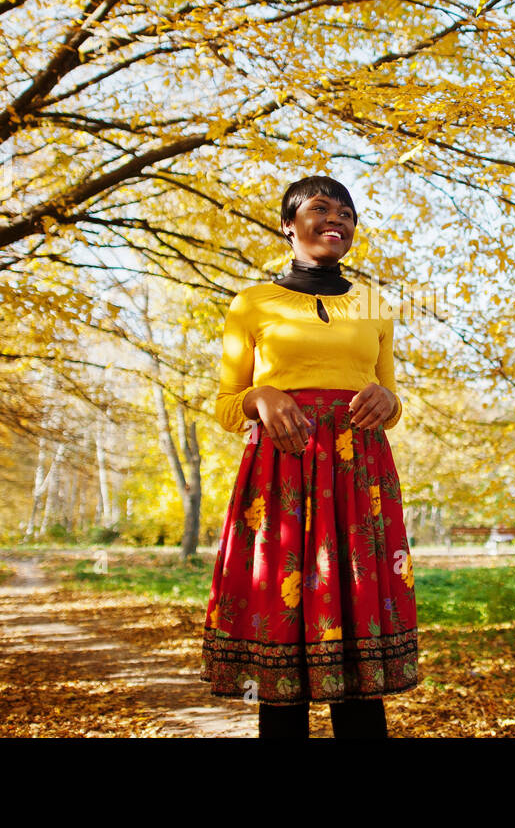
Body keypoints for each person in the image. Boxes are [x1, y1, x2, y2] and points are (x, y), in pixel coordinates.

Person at [201, 175, 420, 738]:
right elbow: (227, 407)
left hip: (357, 473)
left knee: (355, 631)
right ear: (287, 225)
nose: (336, 219)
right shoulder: (251, 303)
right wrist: (261, 395)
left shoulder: (373, 304)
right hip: (282, 473)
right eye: (320, 209)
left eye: (346, 213)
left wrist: (388, 399)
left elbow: (389, 404)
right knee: (285, 619)